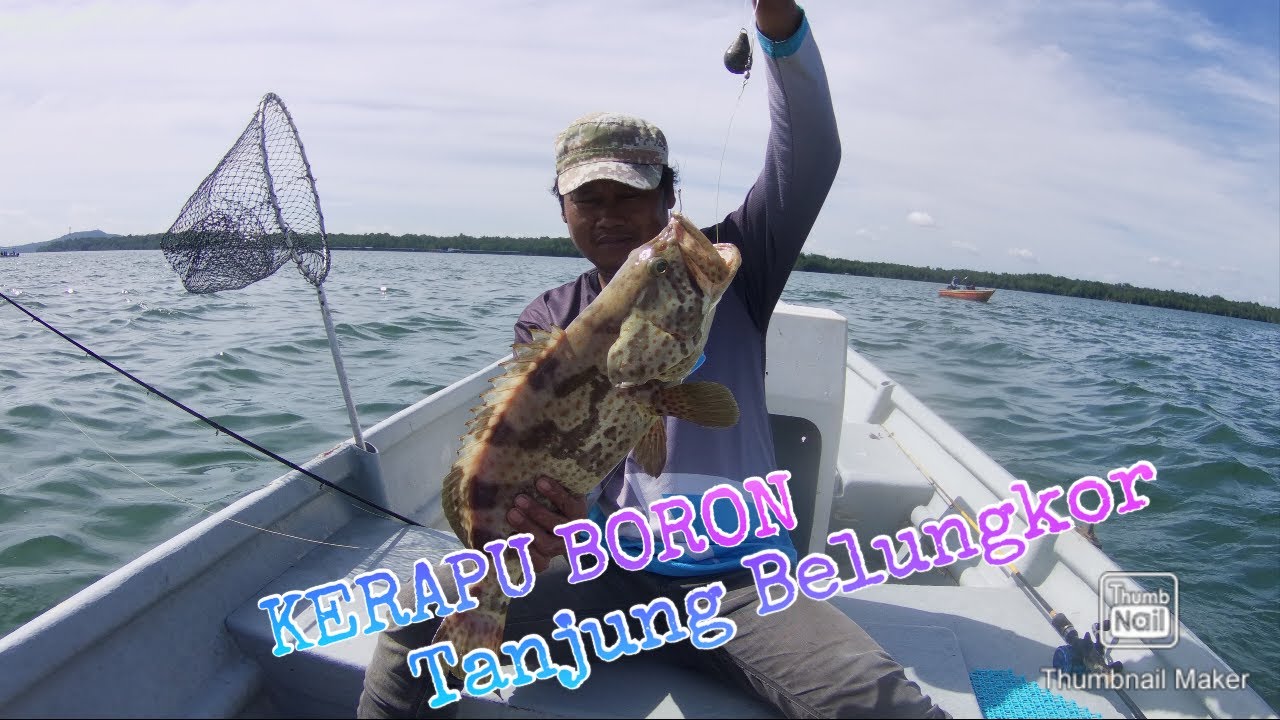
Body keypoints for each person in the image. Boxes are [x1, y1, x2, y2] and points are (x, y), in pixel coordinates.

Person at [359, 2, 949, 717]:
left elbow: (813, 156)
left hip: (744, 582)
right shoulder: (549, 317)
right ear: (563, 211)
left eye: (631, 194)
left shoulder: (726, 269)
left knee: (882, 705)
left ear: (670, 197)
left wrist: (781, 29)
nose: (608, 213)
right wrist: (552, 525)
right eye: (588, 198)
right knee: (408, 637)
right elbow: (544, 463)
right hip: (605, 570)